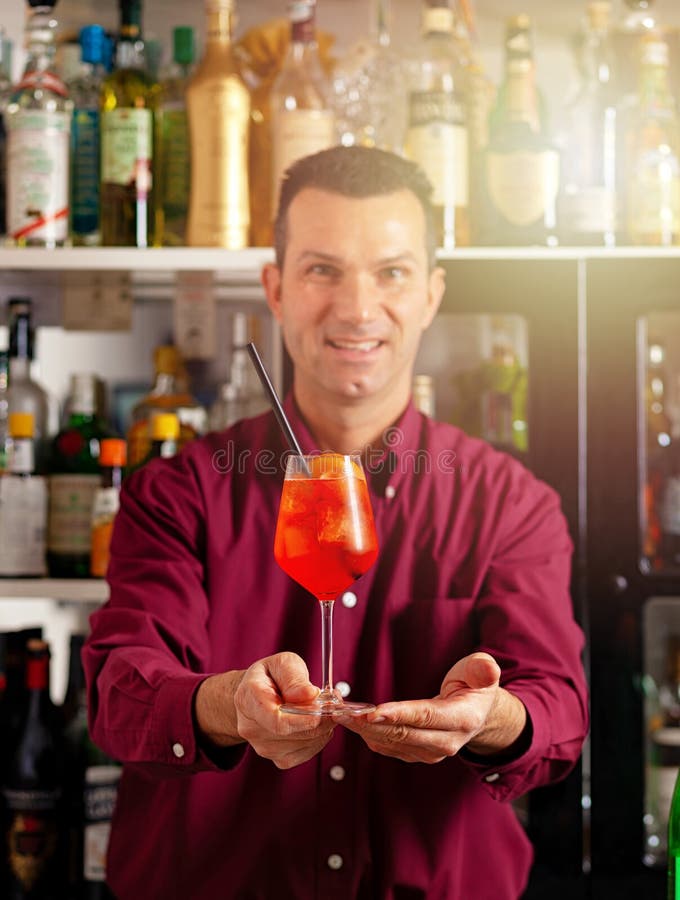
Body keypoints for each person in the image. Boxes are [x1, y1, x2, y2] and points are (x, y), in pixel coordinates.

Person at [83, 145, 588, 900]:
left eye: (391, 272)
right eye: (323, 270)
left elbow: (557, 707)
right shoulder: (178, 493)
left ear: (430, 295)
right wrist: (227, 707)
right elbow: (121, 692)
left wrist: (489, 717)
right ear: (276, 289)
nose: (357, 308)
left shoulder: (509, 502)